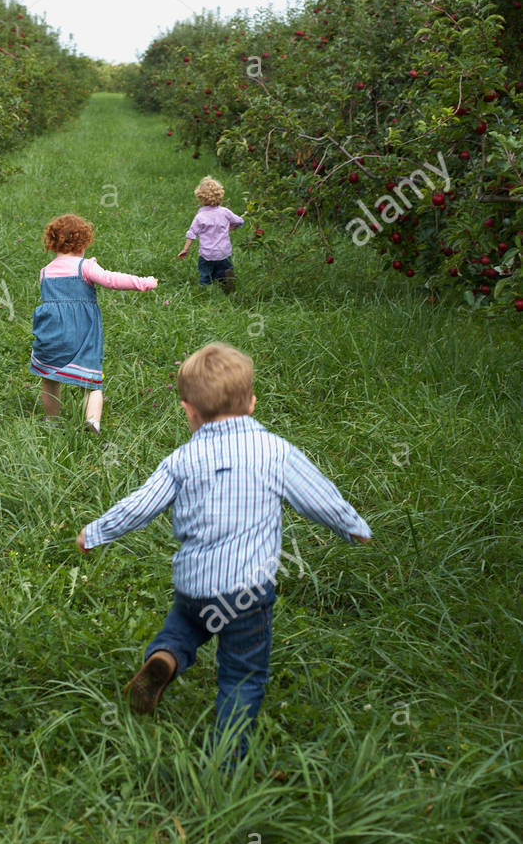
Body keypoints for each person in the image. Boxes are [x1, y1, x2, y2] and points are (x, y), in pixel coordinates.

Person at [76, 343, 371, 760]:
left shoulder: (181, 460)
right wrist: (352, 526)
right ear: (251, 403)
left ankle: (166, 657)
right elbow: (317, 497)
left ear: (188, 411)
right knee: (242, 675)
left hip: (195, 584)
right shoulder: (275, 452)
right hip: (247, 592)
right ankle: (225, 760)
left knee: (186, 626)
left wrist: (96, 532)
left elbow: (139, 505)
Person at [30, 213, 157, 433]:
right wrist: (143, 283)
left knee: (49, 378)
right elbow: (112, 279)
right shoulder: (85, 267)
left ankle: (52, 421)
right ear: (82, 243)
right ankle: (92, 422)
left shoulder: (45, 272)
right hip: (82, 334)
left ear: (52, 243)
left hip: (51, 335)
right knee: (90, 381)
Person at [177, 176, 244, 290]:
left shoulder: (200, 216)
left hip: (207, 254)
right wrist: (232, 226)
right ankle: (227, 283)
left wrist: (185, 249)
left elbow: (192, 233)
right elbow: (239, 221)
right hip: (224, 253)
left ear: (201, 198)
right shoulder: (225, 212)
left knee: (205, 275)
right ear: (220, 195)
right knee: (224, 271)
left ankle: (206, 292)